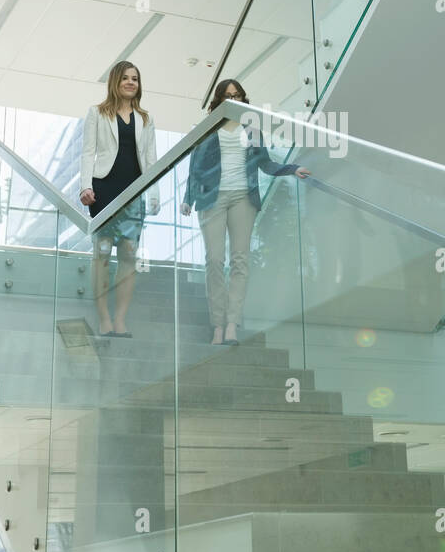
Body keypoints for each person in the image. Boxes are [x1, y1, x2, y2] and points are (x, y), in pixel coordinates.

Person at [180, 79, 309, 346]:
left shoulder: (252, 127)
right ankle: (217, 324)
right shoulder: (209, 127)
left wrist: (292, 169)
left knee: (240, 261)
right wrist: (187, 198)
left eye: (237, 95)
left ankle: (231, 325)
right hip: (212, 198)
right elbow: (196, 166)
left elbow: (265, 163)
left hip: (243, 197)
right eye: (228, 95)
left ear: (243, 99)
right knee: (214, 260)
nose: (233, 99)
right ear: (219, 100)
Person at [80, 61, 159, 337]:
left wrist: (154, 195)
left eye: (135, 79)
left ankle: (121, 319)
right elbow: (88, 152)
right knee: (101, 253)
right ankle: (104, 318)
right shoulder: (97, 113)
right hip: (104, 191)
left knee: (128, 254)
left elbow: (151, 159)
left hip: (134, 194)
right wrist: (85, 187)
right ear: (115, 81)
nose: (130, 82)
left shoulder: (146, 119)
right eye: (125, 78)